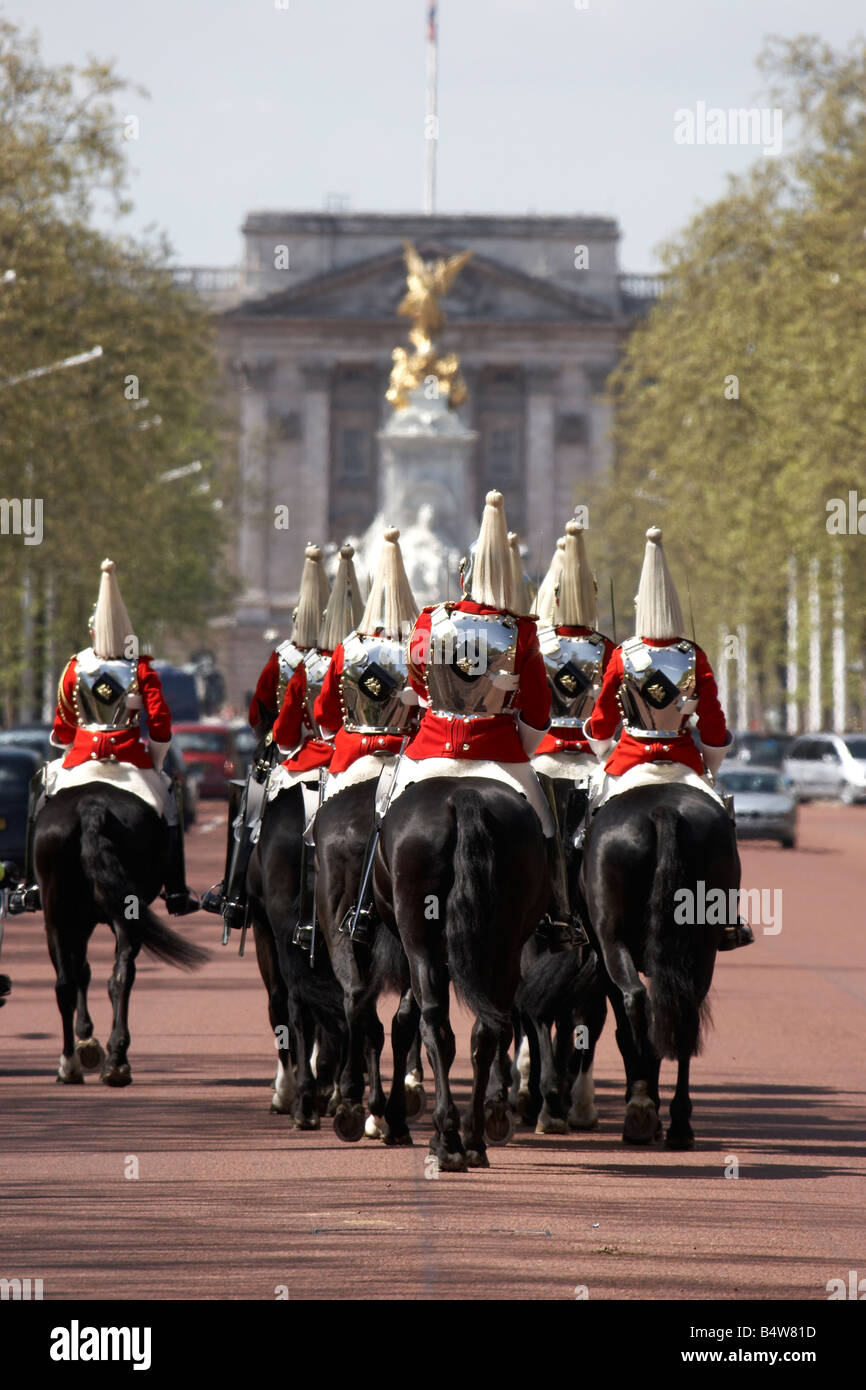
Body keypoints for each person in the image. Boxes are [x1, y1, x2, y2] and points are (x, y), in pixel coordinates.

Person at [393, 489, 583, 945]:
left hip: (430, 751)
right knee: (547, 828)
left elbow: (417, 681)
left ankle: (363, 907)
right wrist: (521, 747)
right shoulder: (521, 630)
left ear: (462, 577)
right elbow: (538, 710)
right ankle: (558, 914)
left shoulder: (427, 620)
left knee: (383, 813)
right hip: (499, 754)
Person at [583, 524, 751, 949]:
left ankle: (576, 905)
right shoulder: (693, 655)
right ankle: (726, 917)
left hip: (629, 763)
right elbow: (713, 724)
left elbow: (602, 720)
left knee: (584, 825)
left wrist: (604, 751)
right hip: (683, 765)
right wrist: (708, 765)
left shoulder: (623, 655)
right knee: (721, 822)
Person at [8, 558, 198, 916]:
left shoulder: (74, 667)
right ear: (128, 632)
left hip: (80, 757)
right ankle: (175, 890)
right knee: (168, 805)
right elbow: (159, 723)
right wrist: (156, 762)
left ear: (93, 631)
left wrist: (70, 752)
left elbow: (63, 724)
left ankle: (33, 886)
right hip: (131, 759)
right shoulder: (141, 668)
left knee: (41, 795)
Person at [201, 543, 331, 931]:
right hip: (337, 754)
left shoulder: (283, 658)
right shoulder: (345, 654)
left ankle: (234, 893)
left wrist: (270, 740)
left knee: (249, 817)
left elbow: (258, 713)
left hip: (284, 755)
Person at [532, 517, 615, 835]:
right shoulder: (608, 650)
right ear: (593, 600)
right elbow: (613, 713)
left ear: (555, 600)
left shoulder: (535, 646)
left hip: (542, 752)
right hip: (593, 757)